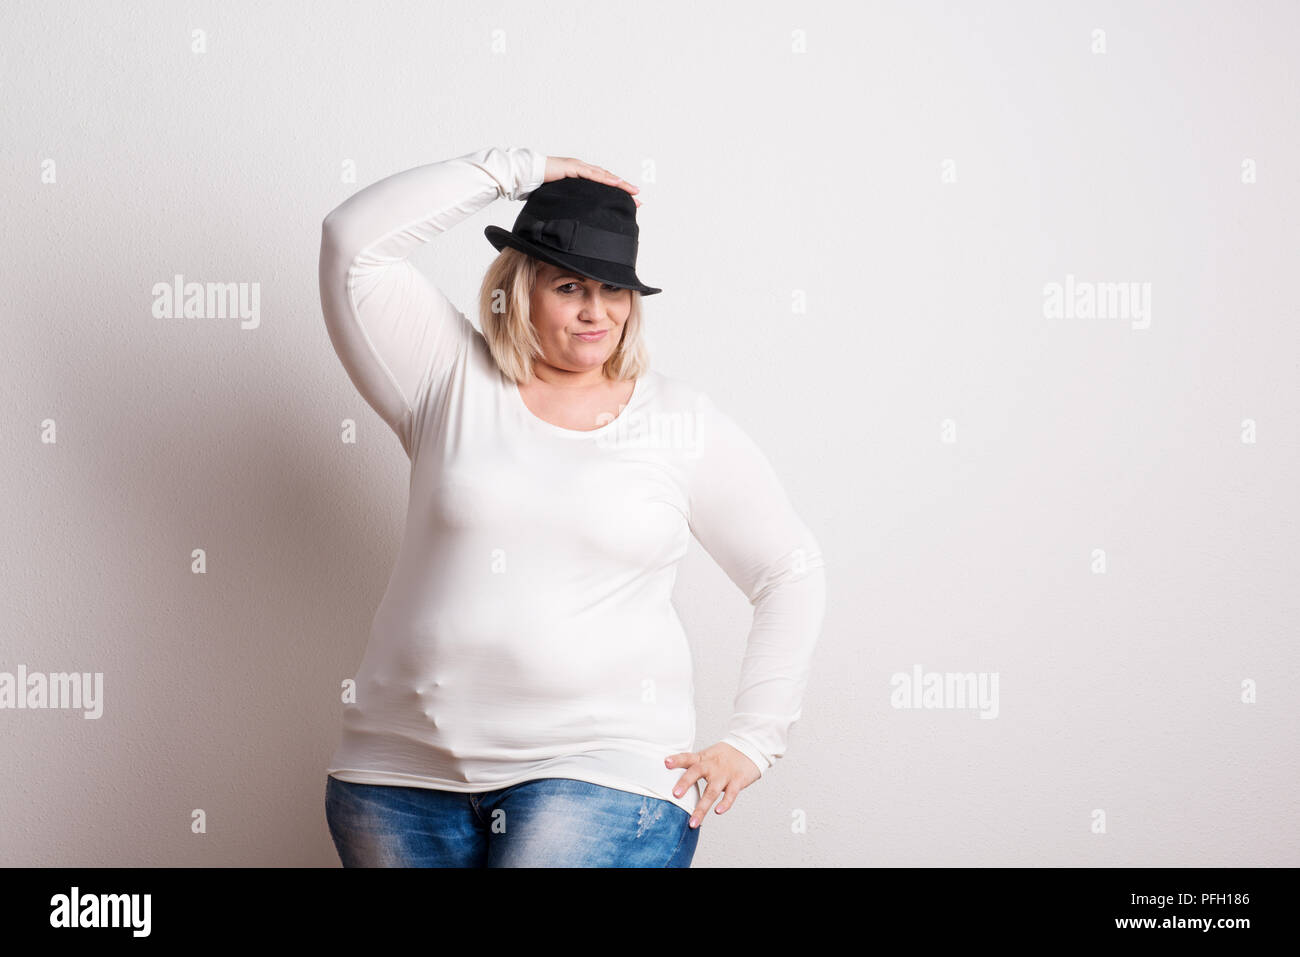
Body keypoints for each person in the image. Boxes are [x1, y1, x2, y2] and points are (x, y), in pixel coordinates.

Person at [317, 145, 826, 867]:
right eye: (568, 287)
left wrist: (753, 738)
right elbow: (351, 242)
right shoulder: (446, 379)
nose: (597, 313)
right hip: (397, 774)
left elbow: (789, 568)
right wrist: (515, 168)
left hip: (604, 772)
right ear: (518, 288)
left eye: (614, 291)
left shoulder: (678, 421)